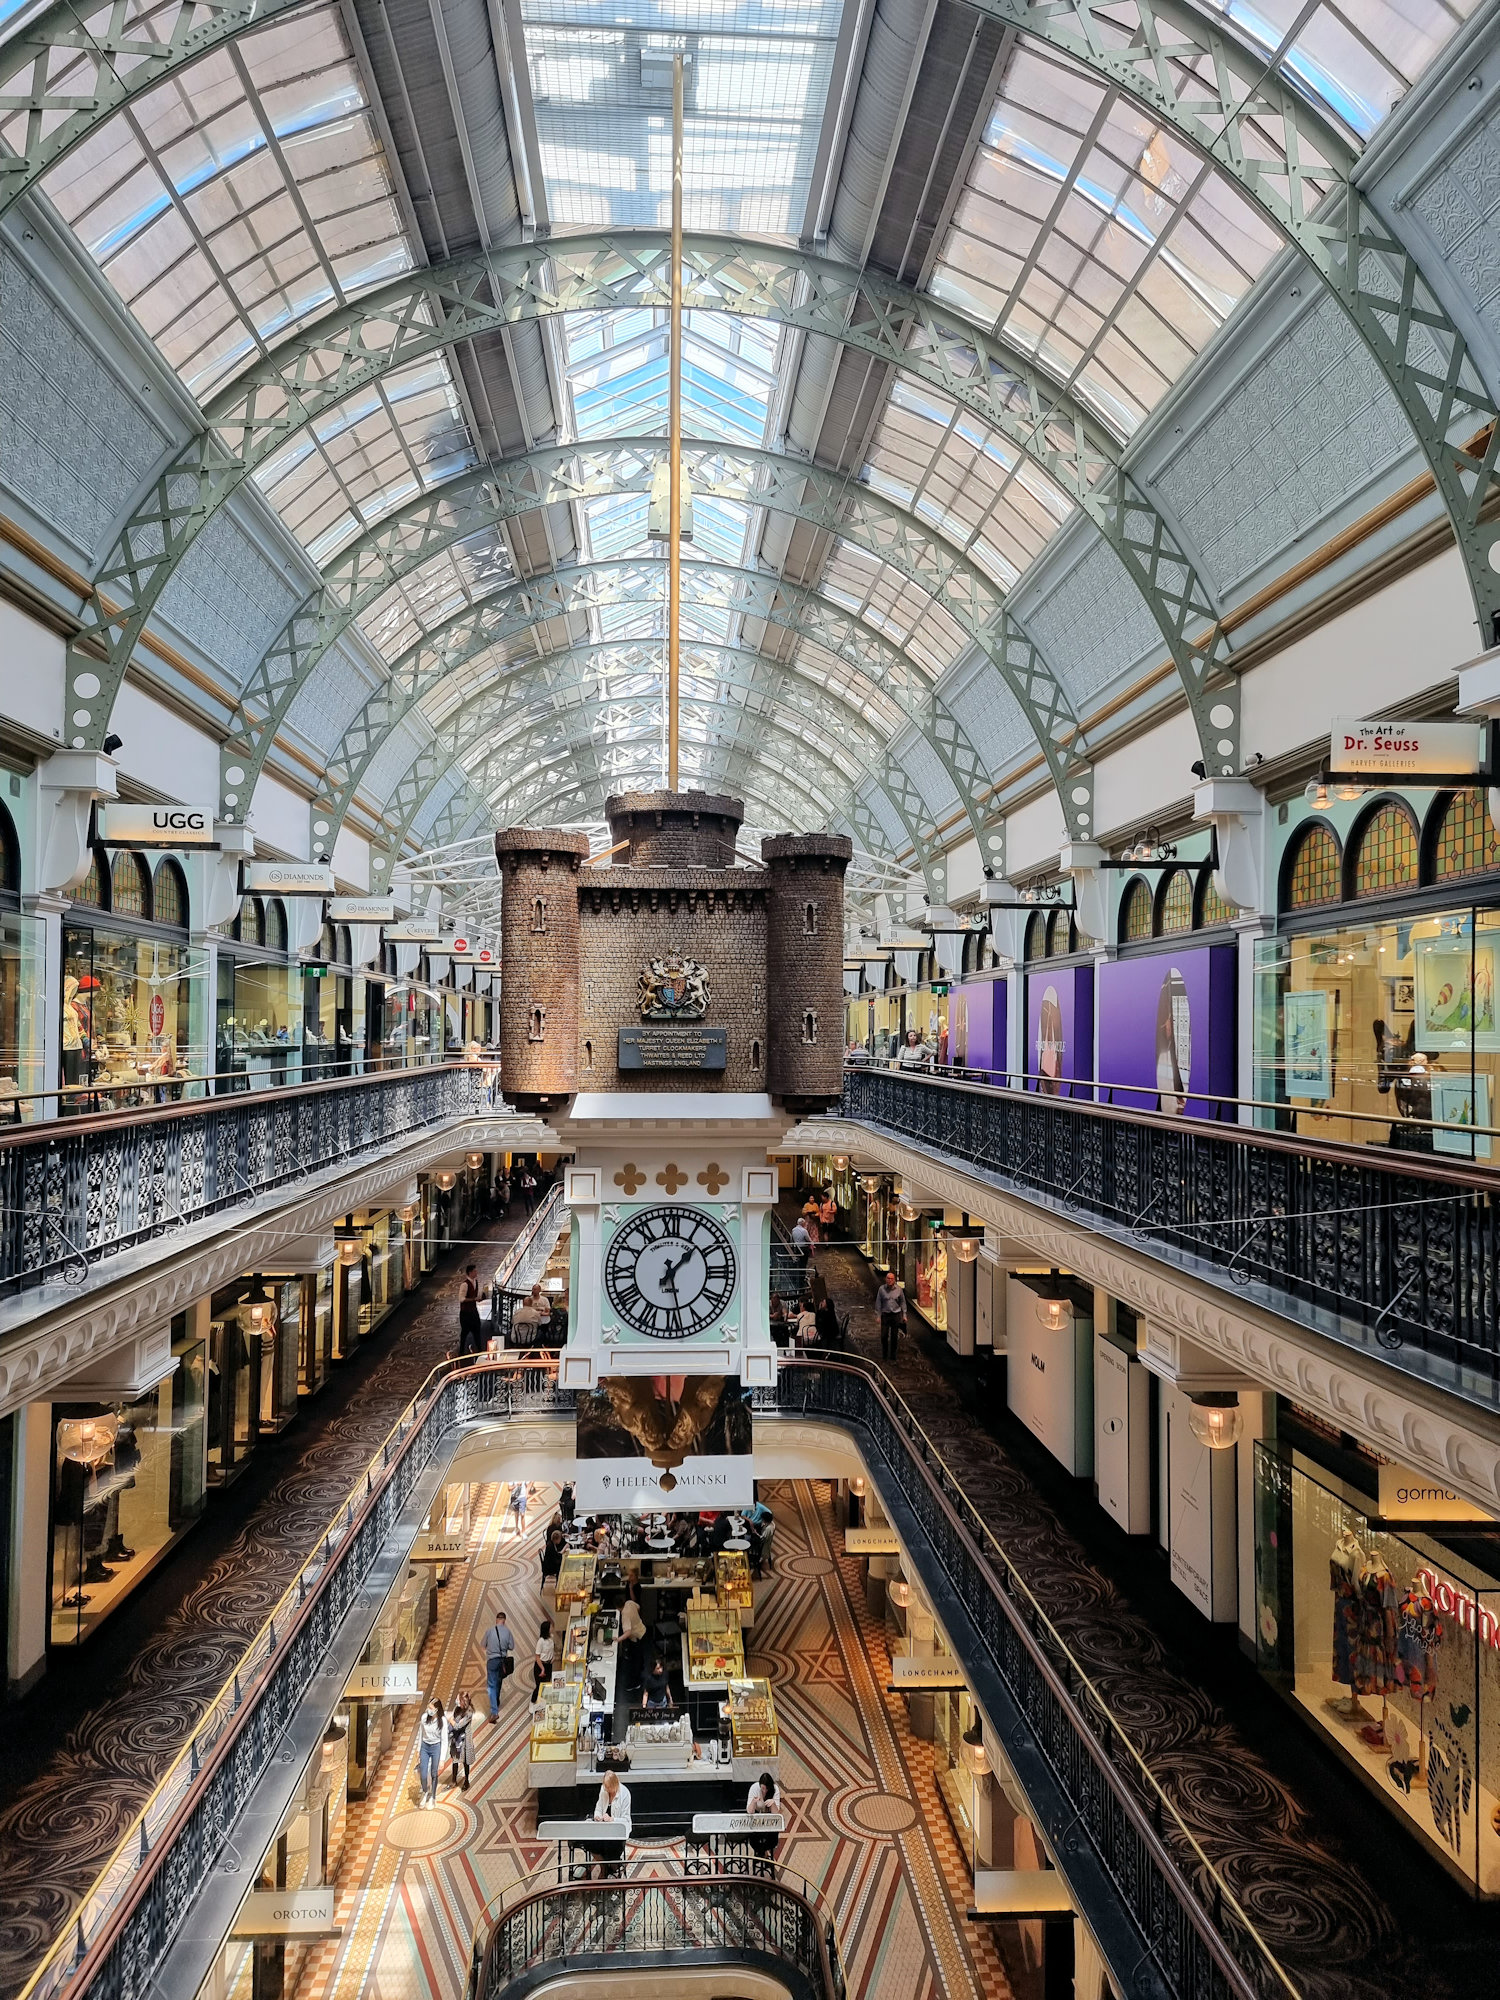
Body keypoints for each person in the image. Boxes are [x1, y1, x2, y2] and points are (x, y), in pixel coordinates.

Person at [589, 1769, 631, 1875]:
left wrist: (612, 1819)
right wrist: (597, 1816)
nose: (606, 1789)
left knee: (610, 1847)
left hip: (617, 1832)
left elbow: (626, 1820)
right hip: (602, 1830)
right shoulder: (603, 1789)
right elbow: (598, 1808)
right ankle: (604, 1866)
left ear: (614, 1784)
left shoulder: (625, 1794)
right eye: (605, 1787)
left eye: (608, 1787)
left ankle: (613, 1867)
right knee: (590, 1843)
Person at [483, 1609, 515, 1720]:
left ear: (496, 1620)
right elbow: (511, 1646)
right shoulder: (508, 1632)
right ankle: (496, 1700)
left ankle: (494, 1711)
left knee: (491, 1685)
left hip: (492, 1661)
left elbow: (483, 1645)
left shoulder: (489, 1631)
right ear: (504, 1621)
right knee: (499, 1680)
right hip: (502, 1662)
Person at [417, 1698, 447, 1808]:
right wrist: (418, 1750)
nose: (429, 1710)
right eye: (428, 1707)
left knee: (434, 1773)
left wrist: (442, 1759)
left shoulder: (442, 1720)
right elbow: (420, 1734)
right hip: (425, 1746)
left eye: (431, 1708)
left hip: (436, 1747)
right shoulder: (424, 1718)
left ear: (437, 1709)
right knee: (423, 1773)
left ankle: (433, 1797)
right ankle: (425, 1792)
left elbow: (444, 1740)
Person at [746, 1771, 782, 1856]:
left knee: (772, 1839)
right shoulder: (754, 1788)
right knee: (754, 1838)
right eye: (762, 1788)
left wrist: (773, 1804)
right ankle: (762, 1853)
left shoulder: (775, 1789)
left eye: (767, 1789)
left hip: (769, 1819)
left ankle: (763, 1852)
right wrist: (753, 1802)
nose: (764, 1791)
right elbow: (749, 1811)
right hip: (757, 1818)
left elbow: (776, 1814)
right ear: (760, 1785)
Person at [875, 1269, 907, 1361]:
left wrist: (904, 1315)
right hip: (885, 1315)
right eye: (888, 1278)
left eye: (891, 1279)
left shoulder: (899, 1290)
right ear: (886, 1279)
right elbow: (878, 1302)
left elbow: (903, 1302)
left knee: (894, 1336)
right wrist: (878, 1315)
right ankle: (884, 1354)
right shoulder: (881, 1289)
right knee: (884, 1336)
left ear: (894, 1280)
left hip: (896, 1315)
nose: (889, 1280)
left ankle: (893, 1355)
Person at [618, 1585, 646, 1688]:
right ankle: (642, 1669)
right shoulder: (629, 1603)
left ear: (617, 1607)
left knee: (635, 1660)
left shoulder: (624, 1615)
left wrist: (618, 1639)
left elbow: (628, 1632)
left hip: (636, 1638)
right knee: (641, 1656)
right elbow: (638, 1608)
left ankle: (636, 1683)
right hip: (642, 1630)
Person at [448, 1691, 474, 1792]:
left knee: (465, 1761)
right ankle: (453, 1780)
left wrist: (451, 1721)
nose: (456, 1701)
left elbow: (458, 1725)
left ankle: (466, 1780)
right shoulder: (457, 1708)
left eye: (458, 1699)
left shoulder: (469, 1712)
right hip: (456, 1738)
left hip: (465, 1740)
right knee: (455, 1759)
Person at [458, 1262, 483, 1356]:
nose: (476, 1272)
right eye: (475, 1271)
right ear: (470, 1272)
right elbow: (461, 1299)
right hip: (465, 1313)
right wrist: (473, 1299)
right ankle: (461, 1351)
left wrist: (478, 1299)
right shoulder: (464, 1285)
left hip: (473, 1311)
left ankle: (480, 1350)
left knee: (477, 1330)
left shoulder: (475, 1282)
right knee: (464, 1332)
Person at [533, 1616, 555, 1696]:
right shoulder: (540, 1642)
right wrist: (542, 1669)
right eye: (550, 1627)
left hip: (549, 1665)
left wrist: (553, 1657)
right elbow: (537, 1657)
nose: (552, 1628)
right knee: (539, 1686)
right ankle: (534, 1700)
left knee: (546, 1685)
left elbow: (552, 1649)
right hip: (540, 1666)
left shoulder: (551, 1638)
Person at [540, 1526, 565, 1591]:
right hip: (549, 1568)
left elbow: (555, 1555)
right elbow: (555, 1560)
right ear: (556, 1539)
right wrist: (563, 1552)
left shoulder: (551, 1544)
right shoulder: (551, 1546)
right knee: (562, 1567)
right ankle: (559, 1584)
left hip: (549, 1564)